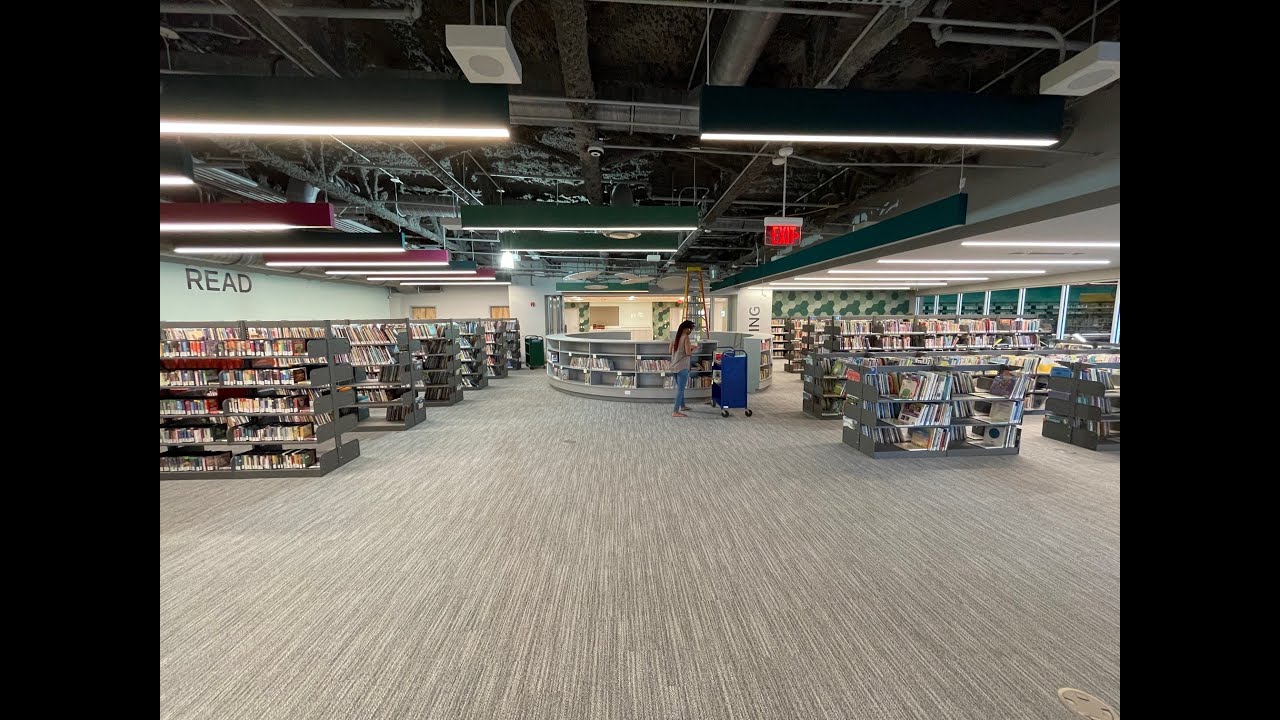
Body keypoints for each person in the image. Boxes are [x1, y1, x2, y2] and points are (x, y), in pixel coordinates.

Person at [670, 320, 696, 417]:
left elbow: (672, 351)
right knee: (680, 390)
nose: (690, 331)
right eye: (690, 329)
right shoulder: (685, 337)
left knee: (680, 388)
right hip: (682, 367)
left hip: (674, 367)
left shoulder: (677, 337)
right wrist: (693, 349)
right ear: (685, 329)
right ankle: (675, 411)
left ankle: (683, 405)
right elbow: (688, 353)